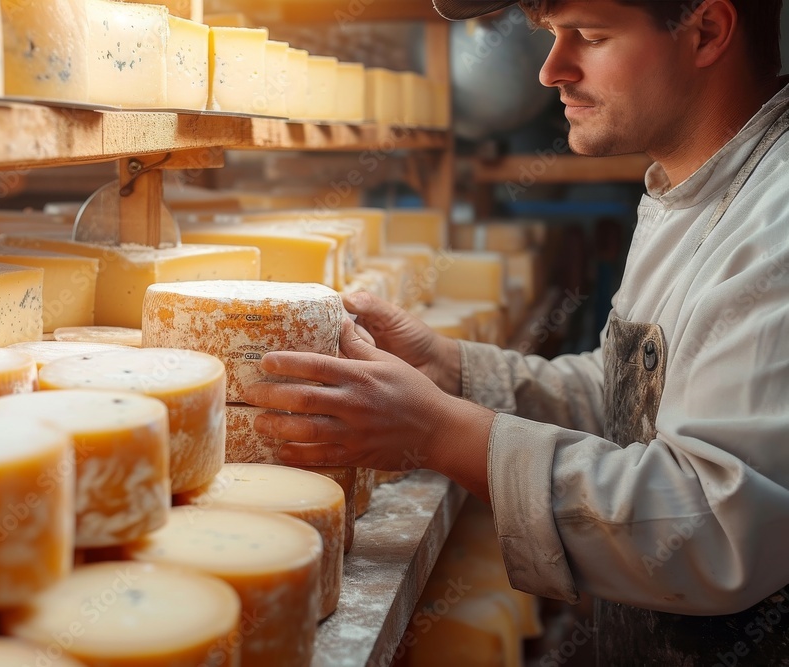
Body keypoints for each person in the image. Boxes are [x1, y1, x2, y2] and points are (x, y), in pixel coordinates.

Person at [243, 0, 789, 663]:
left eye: (589, 35)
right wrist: (451, 368)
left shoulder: (775, 221)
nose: (551, 70)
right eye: (551, 37)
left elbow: (714, 528)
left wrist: (436, 431)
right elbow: (632, 396)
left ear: (705, 32)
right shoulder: (697, 187)